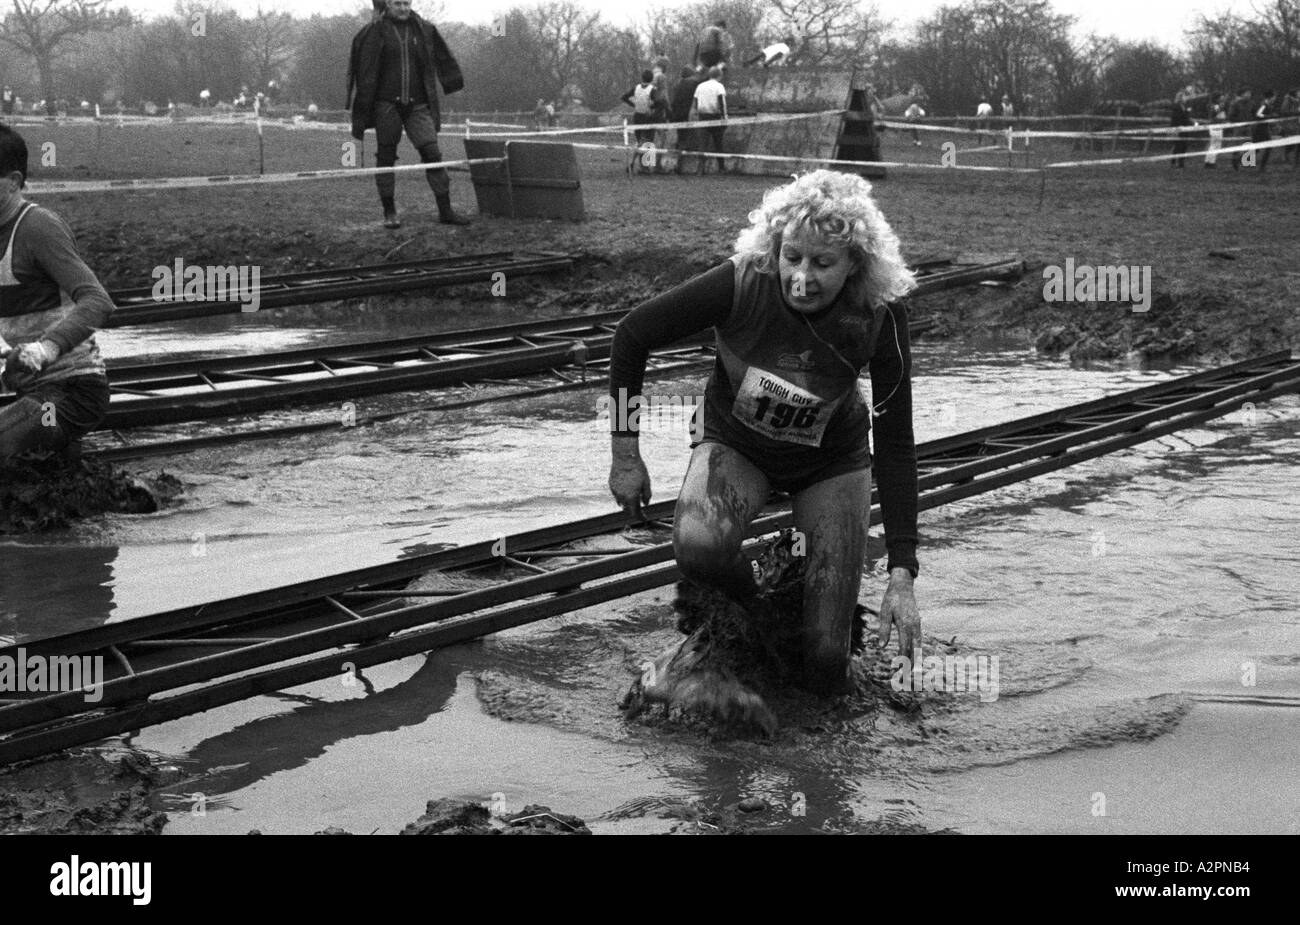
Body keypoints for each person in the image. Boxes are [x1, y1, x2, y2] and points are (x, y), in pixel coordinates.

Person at [606, 170, 921, 695]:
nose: (802, 278)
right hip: (738, 447)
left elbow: (896, 441)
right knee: (699, 543)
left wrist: (902, 573)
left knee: (824, 661)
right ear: (773, 249)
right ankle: (755, 612)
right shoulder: (741, 282)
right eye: (792, 257)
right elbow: (632, 334)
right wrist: (624, 454)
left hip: (830, 464)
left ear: (855, 266)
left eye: (823, 264)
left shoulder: (878, 317)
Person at [0, 125, 113, 462]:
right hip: (31, 390)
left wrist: (46, 348)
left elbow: (98, 301)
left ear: (14, 182)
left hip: (73, 391)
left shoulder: (38, 227)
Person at [347, 0, 471, 229]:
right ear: (387, 4)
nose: (403, 8)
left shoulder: (425, 29)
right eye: (397, 4)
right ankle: (390, 212)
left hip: (418, 106)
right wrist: (360, 108)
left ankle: (446, 211)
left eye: (406, 3)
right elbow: (362, 70)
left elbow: (443, 57)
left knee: (432, 154)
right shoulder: (373, 31)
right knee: (385, 158)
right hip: (386, 105)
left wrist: (452, 82)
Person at [691, 66, 729, 174]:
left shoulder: (700, 86)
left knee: (702, 144)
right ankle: (721, 168)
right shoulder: (719, 86)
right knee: (718, 144)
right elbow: (722, 102)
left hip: (702, 117)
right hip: (715, 117)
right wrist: (725, 118)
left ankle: (700, 169)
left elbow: (695, 102)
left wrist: (695, 115)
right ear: (719, 75)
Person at [671, 66, 701, 175]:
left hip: (677, 115)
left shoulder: (677, 84)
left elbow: (673, 101)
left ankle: (678, 164)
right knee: (689, 139)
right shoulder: (693, 84)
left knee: (681, 138)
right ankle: (680, 165)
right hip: (688, 115)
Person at [1252, 88, 1277, 172]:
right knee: (1260, 148)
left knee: (1259, 148)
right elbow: (1258, 114)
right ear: (1270, 97)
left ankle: (1262, 167)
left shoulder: (1268, 105)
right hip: (1259, 129)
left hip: (1264, 128)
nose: (1275, 98)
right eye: (1274, 97)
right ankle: (1262, 167)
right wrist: (1269, 116)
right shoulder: (1264, 104)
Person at [1169, 91, 1192, 168]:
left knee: (1184, 146)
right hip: (1178, 129)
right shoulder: (1176, 106)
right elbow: (1175, 119)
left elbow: (1186, 117)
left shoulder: (1184, 106)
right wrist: (1175, 129)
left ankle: (1181, 162)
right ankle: (1173, 162)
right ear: (1180, 98)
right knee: (1177, 146)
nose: (1185, 98)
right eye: (1184, 97)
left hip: (1185, 129)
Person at [1204, 93, 1226, 168]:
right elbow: (1214, 114)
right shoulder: (1214, 105)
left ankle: (1208, 161)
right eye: (1221, 97)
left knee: (1216, 145)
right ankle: (1211, 163)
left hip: (1219, 126)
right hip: (1215, 126)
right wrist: (1220, 107)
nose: (1222, 98)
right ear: (1217, 98)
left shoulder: (1219, 105)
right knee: (1215, 145)